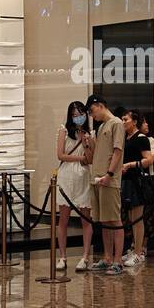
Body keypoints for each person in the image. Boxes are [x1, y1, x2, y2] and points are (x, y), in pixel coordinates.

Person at [87, 94, 125, 274]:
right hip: (97, 178)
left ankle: (118, 260)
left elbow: (117, 151)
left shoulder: (116, 123)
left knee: (114, 219)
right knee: (103, 220)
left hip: (110, 180)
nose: (93, 116)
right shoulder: (102, 126)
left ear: (100, 106)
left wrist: (110, 174)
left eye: (93, 111)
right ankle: (107, 257)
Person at [54, 101, 93, 272]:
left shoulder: (90, 133)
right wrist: (80, 159)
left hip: (83, 177)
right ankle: (62, 256)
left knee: (86, 217)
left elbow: (90, 158)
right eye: (74, 115)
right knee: (64, 218)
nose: (78, 118)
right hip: (66, 176)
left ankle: (85, 257)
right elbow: (60, 155)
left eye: (81, 114)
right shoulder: (64, 130)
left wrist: (86, 143)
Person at [120, 109, 154, 267]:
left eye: (126, 119)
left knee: (137, 218)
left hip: (137, 181)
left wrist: (130, 165)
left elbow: (148, 160)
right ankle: (135, 248)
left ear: (134, 121)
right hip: (126, 181)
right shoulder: (125, 138)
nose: (123, 122)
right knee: (130, 217)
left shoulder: (141, 139)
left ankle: (139, 252)